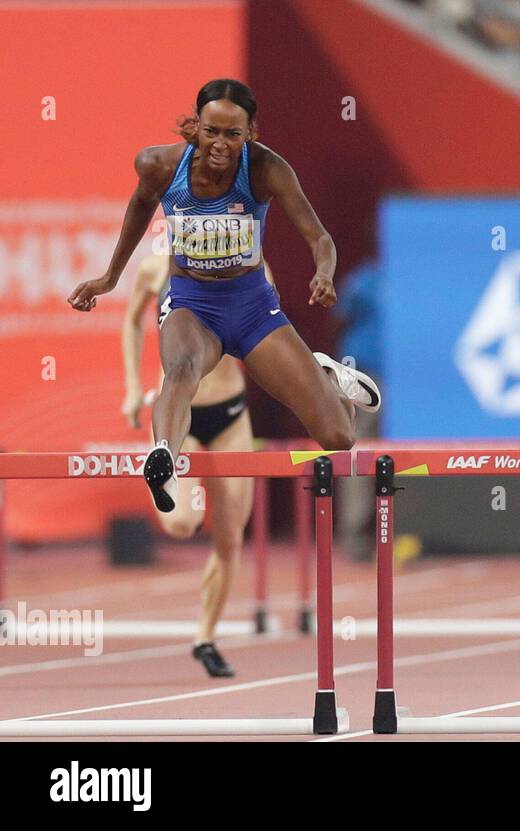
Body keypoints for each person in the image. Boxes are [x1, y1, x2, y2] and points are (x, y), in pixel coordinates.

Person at [68, 79, 379, 514]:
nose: (220, 144)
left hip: (253, 310)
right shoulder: (159, 165)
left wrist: (323, 274)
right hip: (193, 306)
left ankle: (323, 372)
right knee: (180, 370)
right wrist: (109, 277)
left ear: (250, 133)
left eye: (233, 135)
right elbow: (140, 206)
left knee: (339, 439)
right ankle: (164, 457)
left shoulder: (266, 170)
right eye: (211, 131)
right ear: (195, 127)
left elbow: (320, 237)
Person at [121, 252, 268, 677]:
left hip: (230, 414)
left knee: (229, 536)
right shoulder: (154, 266)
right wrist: (132, 387)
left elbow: (270, 327)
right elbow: (131, 320)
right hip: (178, 415)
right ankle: (166, 470)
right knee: (182, 523)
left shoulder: (248, 256)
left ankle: (205, 636)